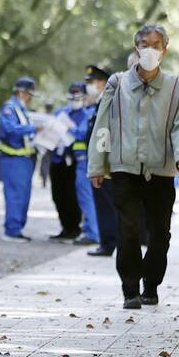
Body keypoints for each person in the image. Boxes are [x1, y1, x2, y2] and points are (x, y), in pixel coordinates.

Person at [87, 23, 179, 310]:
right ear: (137, 48)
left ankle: (152, 284)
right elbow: (103, 125)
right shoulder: (117, 83)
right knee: (128, 229)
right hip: (125, 169)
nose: (150, 50)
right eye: (145, 44)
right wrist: (97, 166)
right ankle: (130, 288)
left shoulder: (177, 87)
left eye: (156, 45)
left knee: (160, 233)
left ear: (165, 50)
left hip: (161, 170)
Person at [83, 66, 118, 257]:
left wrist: (101, 163)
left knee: (105, 205)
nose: (90, 86)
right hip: (102, 162)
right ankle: (109, 241)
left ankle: (108, 243)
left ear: (103, 82)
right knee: (105, 204)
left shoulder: (108, 100)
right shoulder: (100, 101)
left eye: (92, 82)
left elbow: (104, 133)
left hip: (105, 163)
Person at [0, 76, 38, 240]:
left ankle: (17, 228)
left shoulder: (20, 109)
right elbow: (10, 129)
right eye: (28, 94)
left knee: (23, 195)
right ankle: (12, 230)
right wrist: (34, 128)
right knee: (15, 195)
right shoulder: (10, 108)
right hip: (13, 159)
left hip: (24, 159)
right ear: (21, 92)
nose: (30, 98)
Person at [70, 69, 105, 246]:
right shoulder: (90, 110)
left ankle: (93, 233)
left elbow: (85, 133)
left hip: (86, 161)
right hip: (83, 160)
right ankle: (91, 229)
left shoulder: (92, 111)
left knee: (86, 198)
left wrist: (68, 128)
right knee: (88, 198)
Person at [48, 82, 86, 241]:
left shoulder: (86, 114)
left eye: (77, 97)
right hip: (57, 159)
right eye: (72, 97)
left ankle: (74, 228)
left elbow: (82, 134)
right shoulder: (61, 112)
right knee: (58, 195)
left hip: (73, 161)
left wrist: (71, 127)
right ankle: (65, 227)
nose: (74, 100)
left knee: (72, 196)